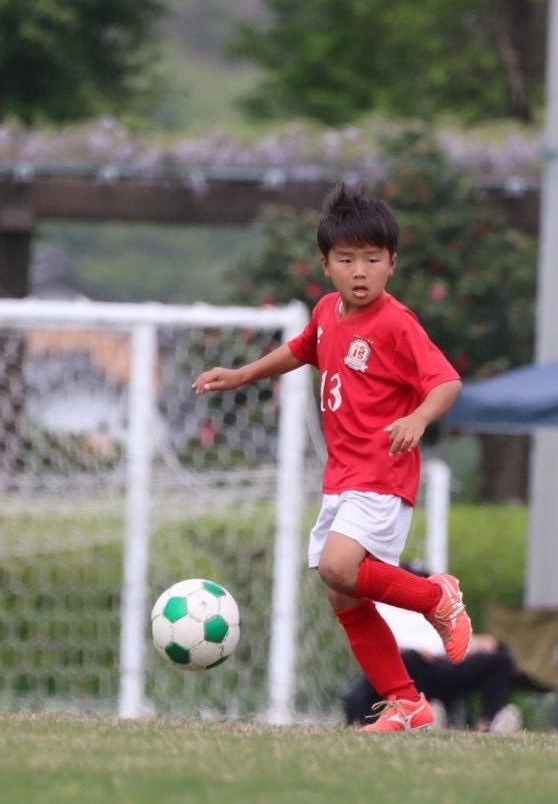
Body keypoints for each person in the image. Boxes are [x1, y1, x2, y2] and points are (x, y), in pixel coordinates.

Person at [193, 183, 472, 733]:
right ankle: (407, 703)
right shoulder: (327, 312)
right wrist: (244, 374)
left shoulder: (397, 323)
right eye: (347, 260)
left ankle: (436, 596)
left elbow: (447, 381)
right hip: (343, 478)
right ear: (327, 265)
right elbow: (302, 349)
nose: (360, 271)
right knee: (341, 596)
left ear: (393, 264)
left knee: (339, 568)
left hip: (383, 474)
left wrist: (417, 418)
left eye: (373, 259)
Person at [340, 600, 523, 733]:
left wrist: (478, 644)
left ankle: (492, 721)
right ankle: (420, 713)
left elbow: (455, 637)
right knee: (411, 659)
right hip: (409, 666)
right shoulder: (378, 609)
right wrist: (411, 650)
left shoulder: (433, 608)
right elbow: (370, 644)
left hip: (444, 663)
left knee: (500, 659)